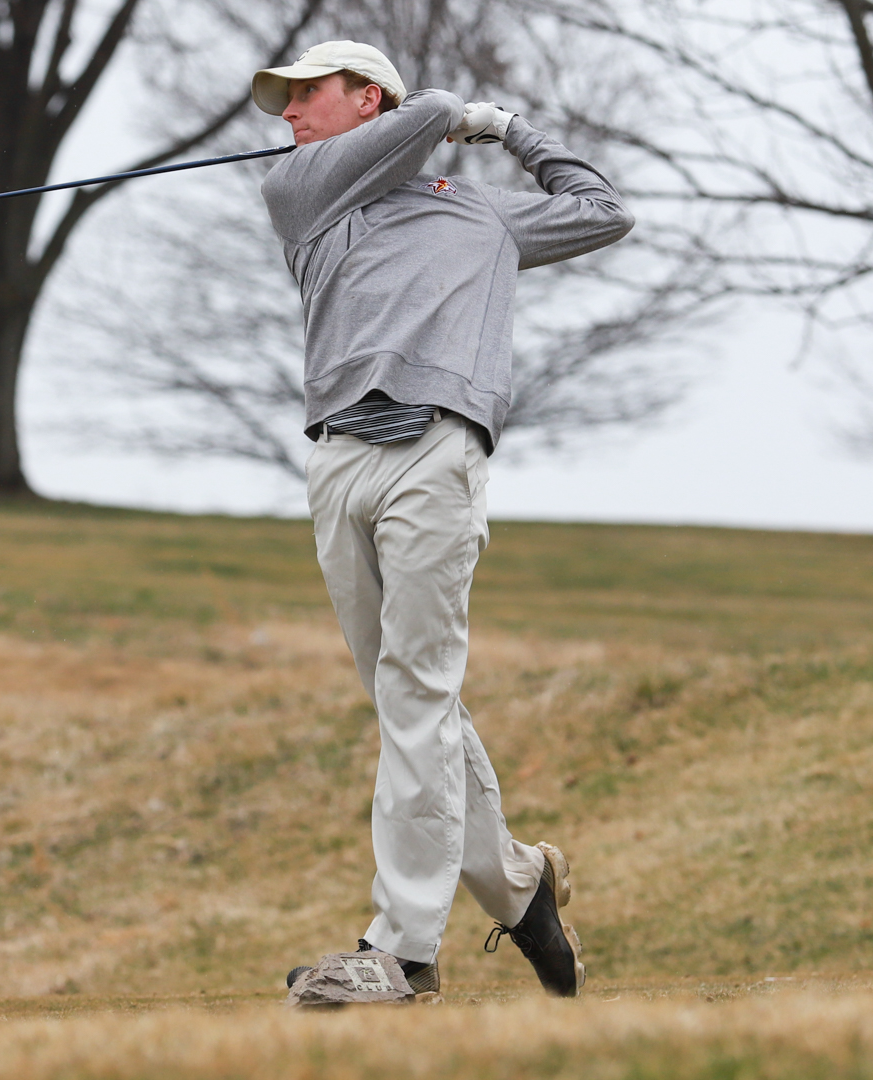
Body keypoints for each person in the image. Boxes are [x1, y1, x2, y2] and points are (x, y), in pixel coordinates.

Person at [255, 40, 633, 1002]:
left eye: (307, 94)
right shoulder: (304, 190)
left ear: (364, 95)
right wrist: (455, 111)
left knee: (417, 695)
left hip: (436, 453)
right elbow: (428, 115)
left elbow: (604, 210)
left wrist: (511, 132)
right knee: (408, 703)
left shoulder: (481, 212)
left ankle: (404, 953)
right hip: (338, 459)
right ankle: (520, 887)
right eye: (285, 100)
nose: (288, 113)